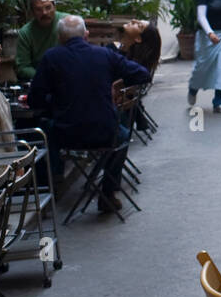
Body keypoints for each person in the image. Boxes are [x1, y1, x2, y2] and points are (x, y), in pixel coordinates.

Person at [29, 15, 151, 214]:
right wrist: (115, 85)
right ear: (86, 35)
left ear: (60, 37)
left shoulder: (51, 57)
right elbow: (142, 74)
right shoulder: (104, 55)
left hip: (66, 135)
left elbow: (36, 99)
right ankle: (108, 192)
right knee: (122, 134)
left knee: (43, 130)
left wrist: (55, 101)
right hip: (105, 132)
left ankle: (49, 189)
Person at [16, 0, 60, 82]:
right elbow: (22, 67)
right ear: (32, 12)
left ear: (54, 7)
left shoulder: (67, 23)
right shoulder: (26, 32)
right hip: (39, 80)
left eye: (48, 7)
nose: (44, 13)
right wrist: (45, 77)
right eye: (38, 9)